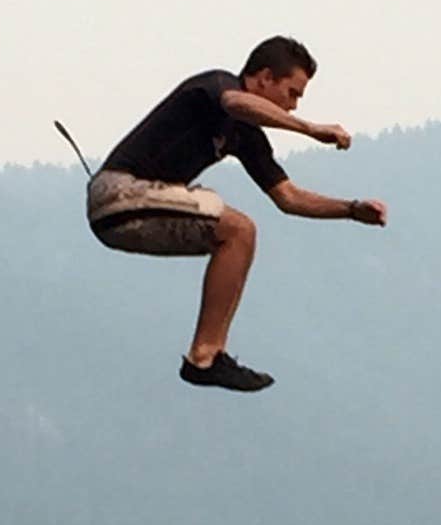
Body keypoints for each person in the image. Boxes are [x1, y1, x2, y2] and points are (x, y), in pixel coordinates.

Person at [84, 39, 387, 391]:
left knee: (236, 235)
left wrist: (351, 209)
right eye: (292, 93)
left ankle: (209, 356)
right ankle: (205, 356)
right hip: (119, 192)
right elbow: (237, 103)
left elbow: (288, 197)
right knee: (238, 229)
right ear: (264, 78)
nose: (292, 105)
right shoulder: (218, 85)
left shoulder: (246, 136)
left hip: (128, 216)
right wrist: (309, 128)